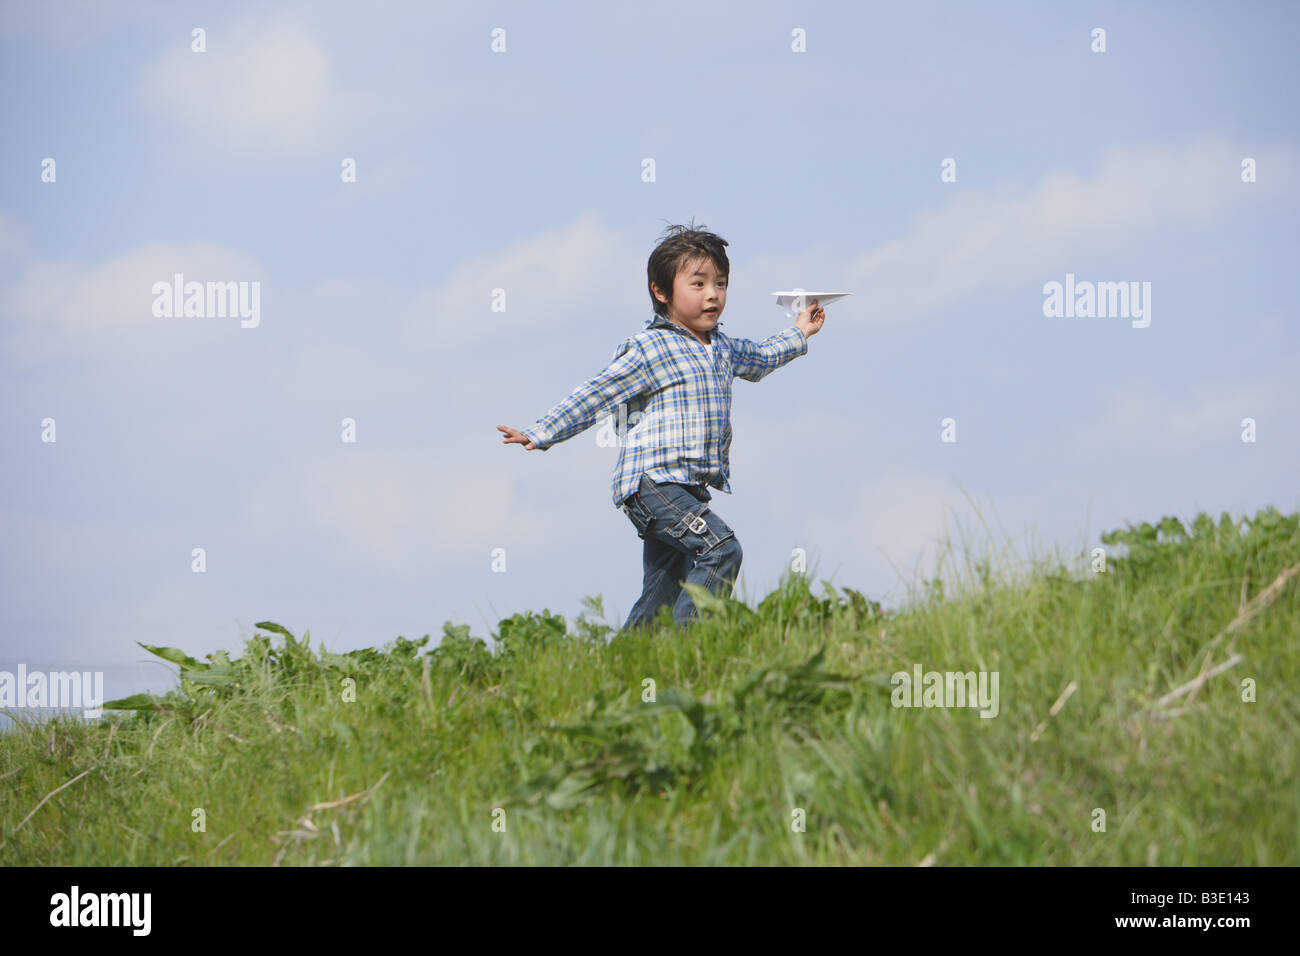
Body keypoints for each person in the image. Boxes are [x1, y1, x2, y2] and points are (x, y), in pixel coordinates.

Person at [497, 222, 827, 634]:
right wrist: (542, 431)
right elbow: (597, 392)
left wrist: (801, 331)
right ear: (661, 292)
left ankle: (620, 673)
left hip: (687, 489)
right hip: (652, 484)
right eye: (699, 283)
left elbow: (761, 358)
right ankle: (691, 656)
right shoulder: (650, 347)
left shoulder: (721, 347)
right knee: (720, 549)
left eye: (720, 284)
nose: (713, 295)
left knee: (660, 594)